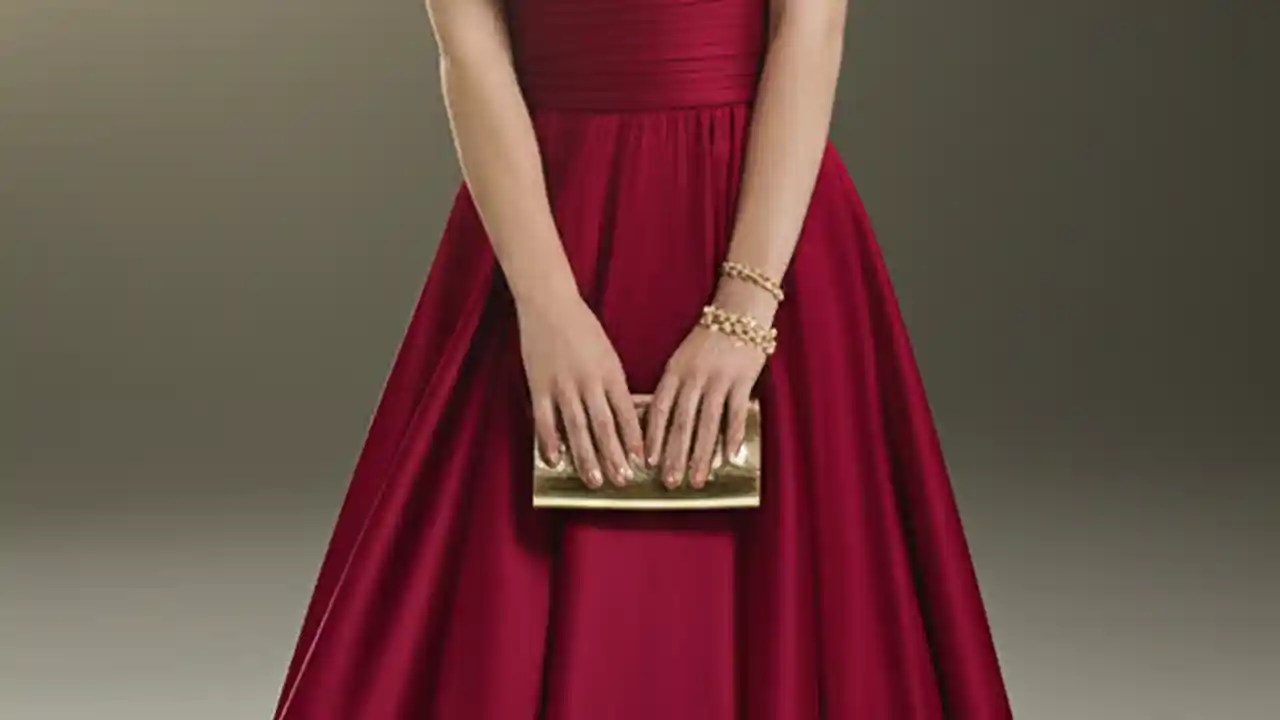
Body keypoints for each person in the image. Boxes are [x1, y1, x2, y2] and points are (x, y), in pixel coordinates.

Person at [273, 0, 1012, 717]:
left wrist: (745, 308)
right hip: (545, 226)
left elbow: (812, 25)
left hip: (759, 224)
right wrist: (548, 304)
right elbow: (468, 46)